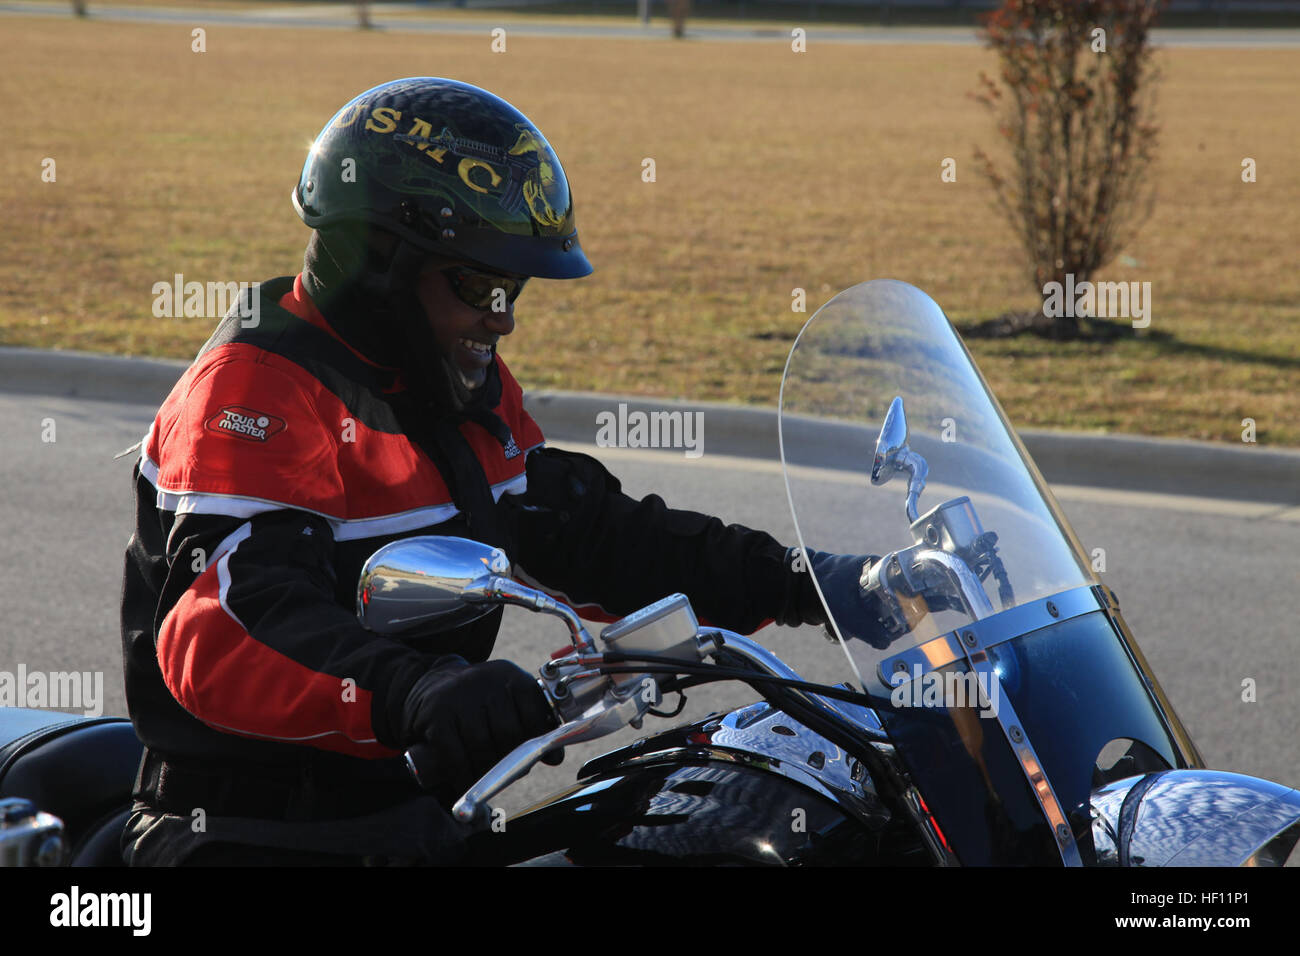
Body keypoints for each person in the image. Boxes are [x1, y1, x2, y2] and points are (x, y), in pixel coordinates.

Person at [119, 77, 867, 866]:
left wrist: (809, 582)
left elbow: (585, 532)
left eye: (513, 288)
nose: (502, 315)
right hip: (249, 831)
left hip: (409, 813)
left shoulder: (448, 380)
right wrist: (415, 690)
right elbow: (228, 630)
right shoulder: (255, 387)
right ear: (380, 260)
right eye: (479, 284)